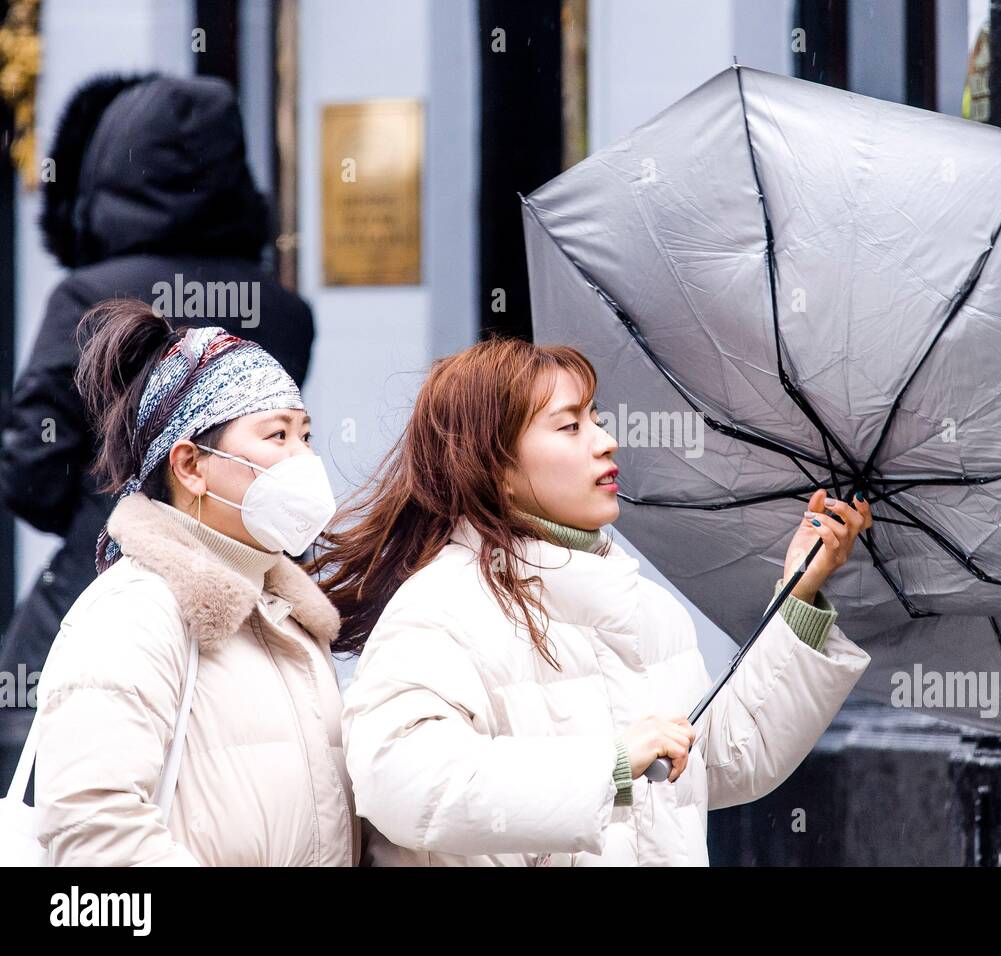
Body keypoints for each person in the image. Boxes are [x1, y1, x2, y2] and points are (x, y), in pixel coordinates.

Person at [312, 336, 872, 866]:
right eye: (570, 426)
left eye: (596, 421)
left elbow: (716, 762)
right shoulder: (442, 608)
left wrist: (798, 596)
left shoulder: (644, 607)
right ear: (498, 468)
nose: (606, 441)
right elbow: (405, 785)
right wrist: (609, 764)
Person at [0, 73, 314, 772]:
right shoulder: (283, 309)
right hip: (249, 589)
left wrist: (100, 509)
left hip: (97, 574)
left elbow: (30, 470)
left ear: (112, 168)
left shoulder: (86, 297)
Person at [28, 299, 357, 866]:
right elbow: (93, 832)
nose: (304, 458)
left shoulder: (290, 618)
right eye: (276, 437)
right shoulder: (135, 612)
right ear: (190, 466)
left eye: (306, 435)